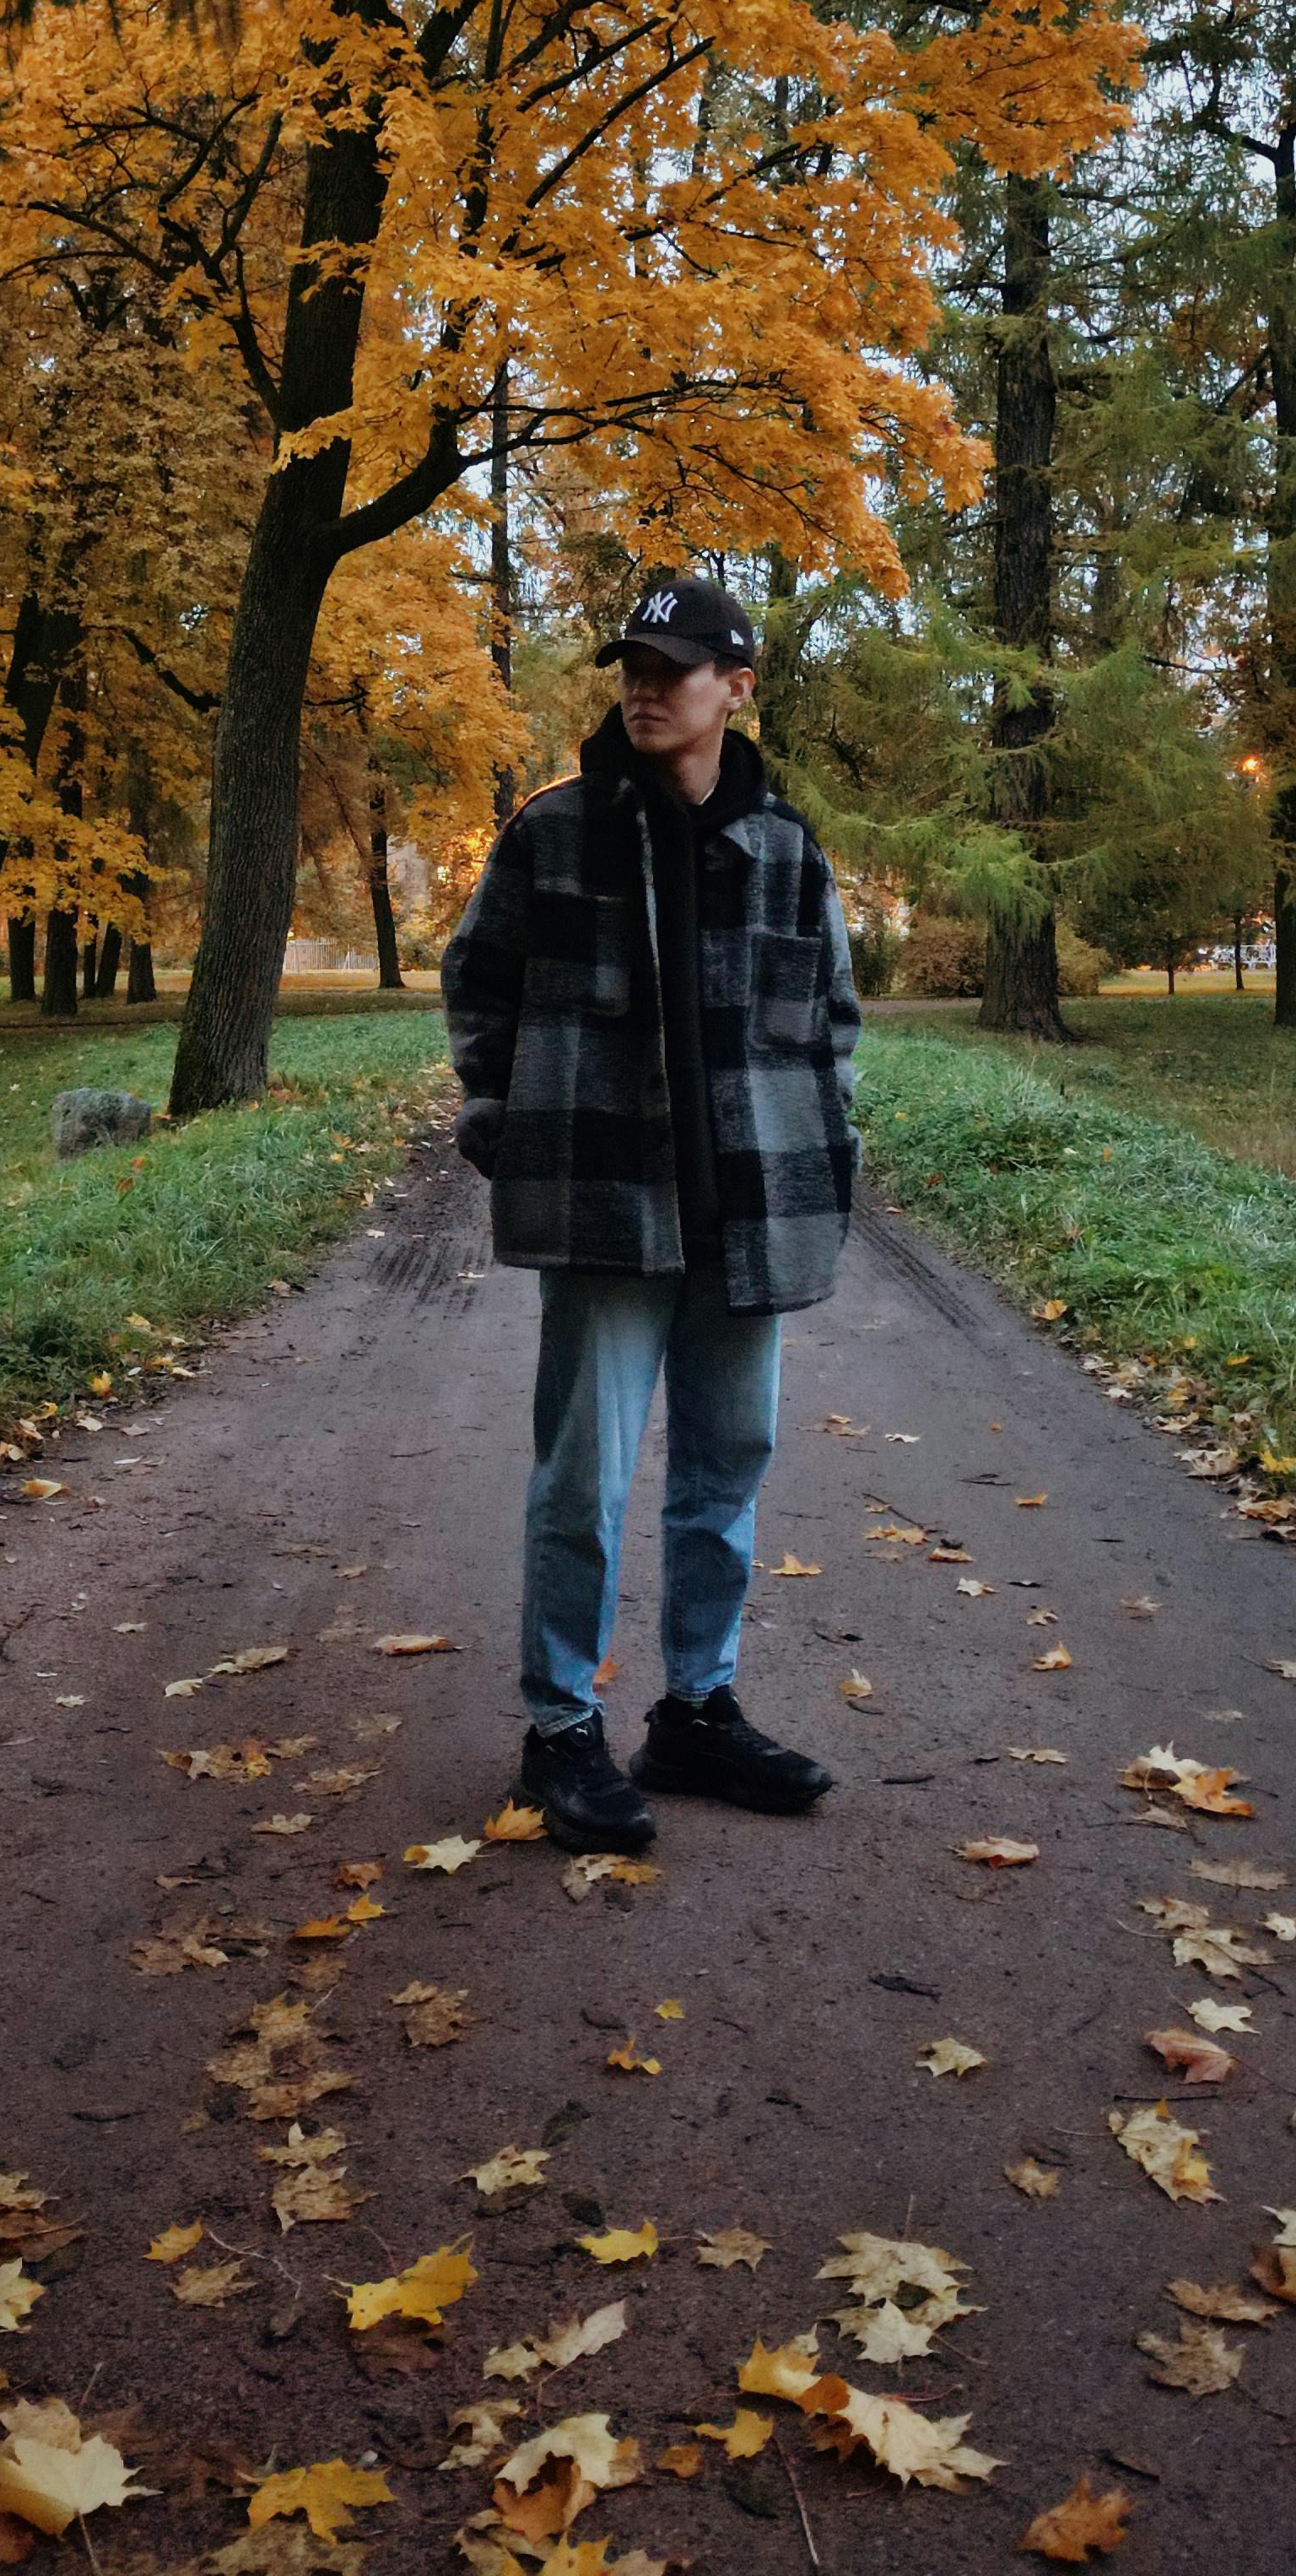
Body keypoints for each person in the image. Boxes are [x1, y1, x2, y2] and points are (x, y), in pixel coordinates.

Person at [440, 571, 862, 1851]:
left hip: (748, 1211)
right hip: (607, 1206)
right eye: (630, 664)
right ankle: (559, 1730)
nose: (641, 685)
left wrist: (823, 1149)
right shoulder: (553, 831)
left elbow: (832, 1022)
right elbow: (479, 982)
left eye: (671, 668)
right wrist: (505, 1121)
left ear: (735, 688)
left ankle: (696, 1710)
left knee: (727, 1471)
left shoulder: (786, 845)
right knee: (586, 1476)